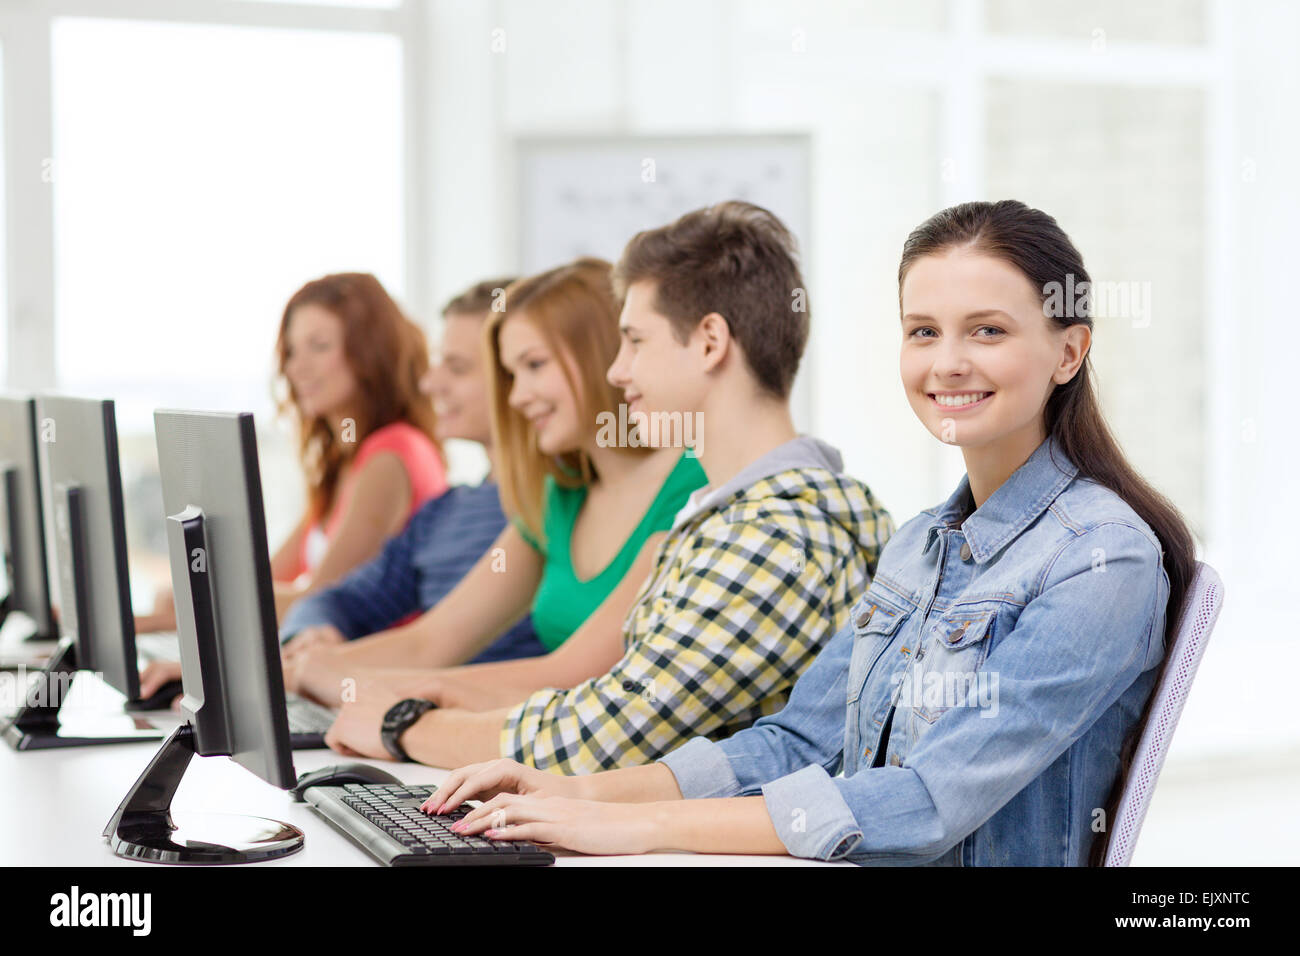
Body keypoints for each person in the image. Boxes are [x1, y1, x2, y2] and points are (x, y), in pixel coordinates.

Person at [423, 199, 1198, 868]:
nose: (948, 362)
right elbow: (795, 741)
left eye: (987, 331)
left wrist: (626, 823)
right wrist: (575, 793)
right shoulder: (920, 544)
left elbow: (924, 802)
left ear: (1070, 350)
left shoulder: (1103, 559)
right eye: (923, 332)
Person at [318, 201, 894, 773]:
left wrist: (406, 726)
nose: (618, 373)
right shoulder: (724, 517)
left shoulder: (774, 534)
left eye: (636, 342)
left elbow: (603, 734)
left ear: (711, 343)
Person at [285, 257, 709, 706]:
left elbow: (570, 674)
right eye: (510, 374)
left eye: (535, 365)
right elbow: (432, 643)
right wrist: (304, 669)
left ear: (599, 352)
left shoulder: (690, 486)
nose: (518, 397)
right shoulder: (561, 494)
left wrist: (363, 689)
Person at [133, 271, 448, 637]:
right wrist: (185, 601)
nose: (297, 367)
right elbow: (263, 580)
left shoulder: (391, 455)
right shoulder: (345, 463)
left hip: (363, 674)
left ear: (370, 351)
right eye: (293, 350)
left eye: (320, 346)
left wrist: (192, 605)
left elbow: (319, 602)